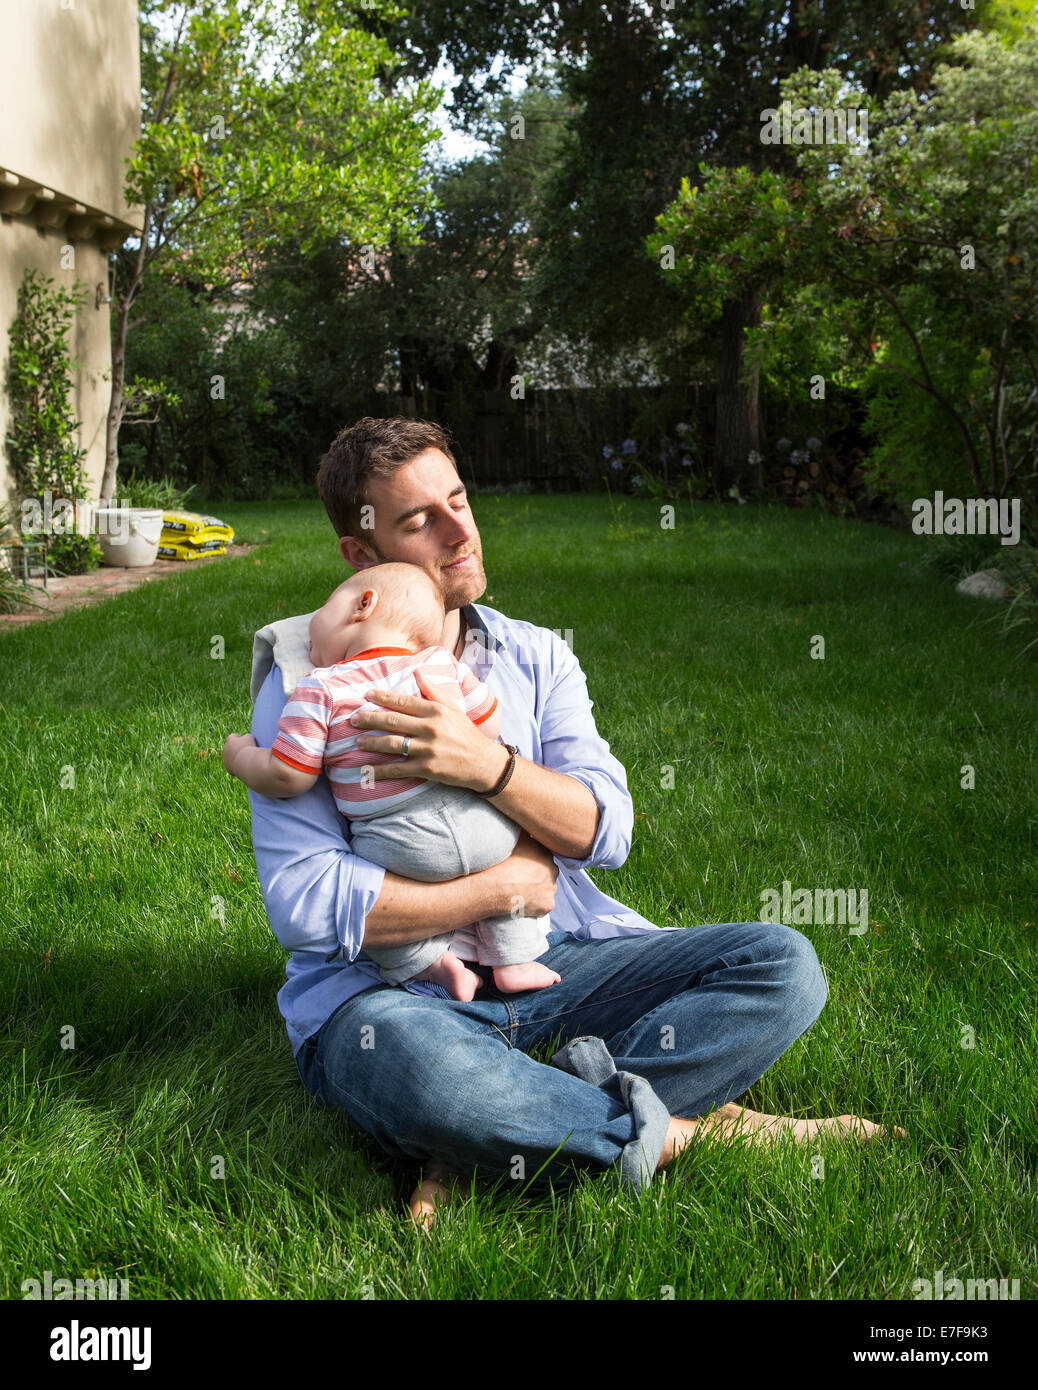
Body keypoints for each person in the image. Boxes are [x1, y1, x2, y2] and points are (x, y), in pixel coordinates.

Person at [245, 416, 905, 1231]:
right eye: (420, 521)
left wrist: (486, 766)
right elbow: (304, 904)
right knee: (425, 1071)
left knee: (783, 965)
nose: (461, 530)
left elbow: (609, 828)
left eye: (459, 499)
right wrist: (503, 885)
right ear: (362, 558)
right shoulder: (308, 681)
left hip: (556, 964)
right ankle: (687, 1131)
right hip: (393, 995)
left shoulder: (533, 657)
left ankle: (485, 1136)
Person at [223, 561, 560, 999]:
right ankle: (516, 960)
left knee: (378, 897)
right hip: (485, 829)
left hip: (398, 845)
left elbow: (289, 775)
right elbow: (490, 725)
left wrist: (241, 757)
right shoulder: (439, 664)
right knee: (503, 854)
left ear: (363, 605)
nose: (311, 629)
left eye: (324, 607)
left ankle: (433, 964)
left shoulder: (320, 686)